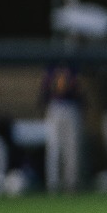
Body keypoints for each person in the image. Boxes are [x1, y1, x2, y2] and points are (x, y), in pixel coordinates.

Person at [40, 53, 86, 193]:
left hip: (71, 107)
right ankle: (53, 185)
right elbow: (45, 90)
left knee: (71, 148)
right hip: (55, 106)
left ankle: (71, 185)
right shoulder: (51, 65)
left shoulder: (73, 64)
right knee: (54, 147)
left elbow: (78, 88)